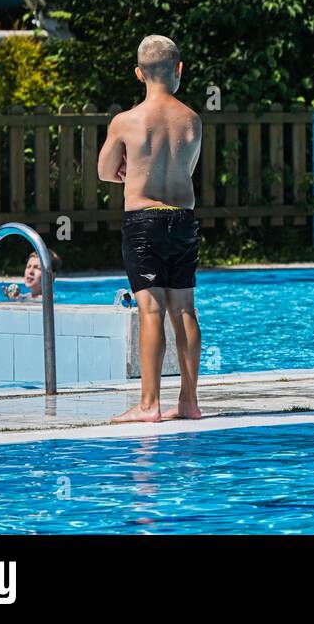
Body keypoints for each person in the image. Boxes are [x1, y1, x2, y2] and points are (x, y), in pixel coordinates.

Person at [98, 35, 204, 422]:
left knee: (151, 310)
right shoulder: (192, 119)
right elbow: (185, 170)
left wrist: (131, 170)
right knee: (186, 309)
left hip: (144, 220)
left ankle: (149, 405)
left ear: (139, 74)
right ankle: (189, 402)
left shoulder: (126, 121)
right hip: (183, 218)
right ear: (178, 70)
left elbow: (105, 172)